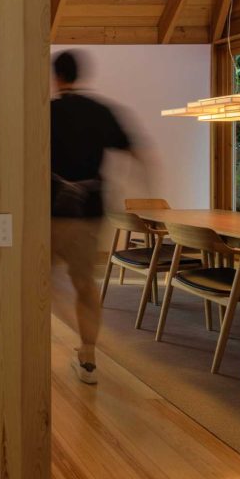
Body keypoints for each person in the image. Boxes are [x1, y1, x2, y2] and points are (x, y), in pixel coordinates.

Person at [50, 50, 137, 385]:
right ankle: (88, 357)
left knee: (39, 283)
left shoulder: (46, 112)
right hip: (90, 212)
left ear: (56, 77)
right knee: (85, 284)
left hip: (49, 211)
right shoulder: (101, 111)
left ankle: (33, 348)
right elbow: (136, 153)